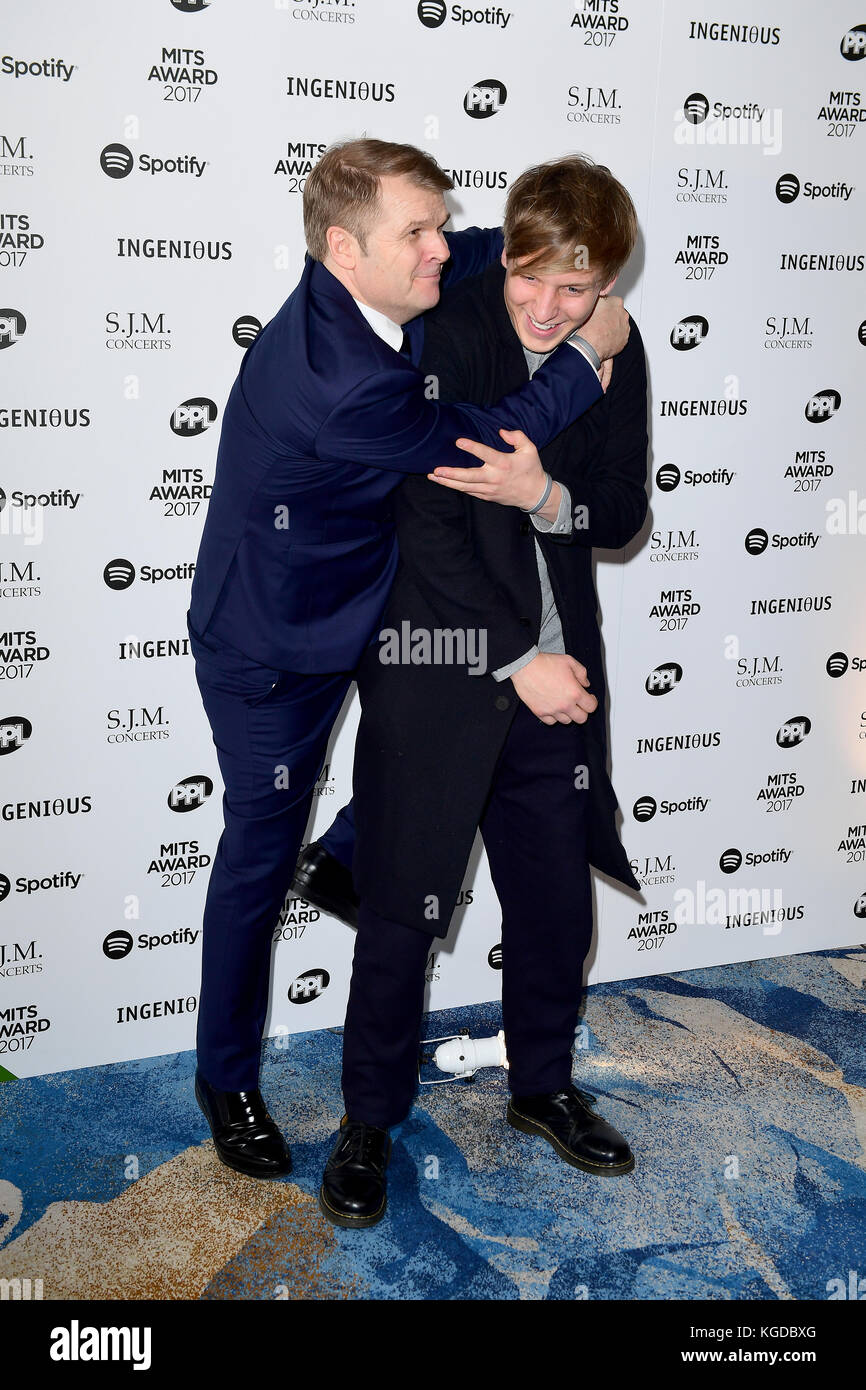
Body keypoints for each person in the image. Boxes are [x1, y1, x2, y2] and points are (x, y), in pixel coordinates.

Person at [186, 138, 630, 1178]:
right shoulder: (338, 374)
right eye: (418, 233)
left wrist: (545, 263)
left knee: (419, 778)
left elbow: (491, 249)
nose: (445, 247)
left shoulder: (382, 292)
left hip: (382, 609)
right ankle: (225, 1078)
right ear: (346, 249)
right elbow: (481, 450)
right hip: (275, 645)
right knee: (256, 857)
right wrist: (581, 359)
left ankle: (348, 845)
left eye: (441, 225)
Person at [310, 154, 649, 1227]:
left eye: (577, 290)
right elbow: (427, 522)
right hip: (442, 662)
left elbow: (618, 513)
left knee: (552, 905)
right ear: (500, 253)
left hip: (559, 677)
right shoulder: (445, 327)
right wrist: (517, 656)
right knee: (403, 906)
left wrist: (541, 492)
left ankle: (541, 1087)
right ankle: (369, 1117)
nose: (549, 309)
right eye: (529, 277)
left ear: (607, 289)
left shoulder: (612, 351)